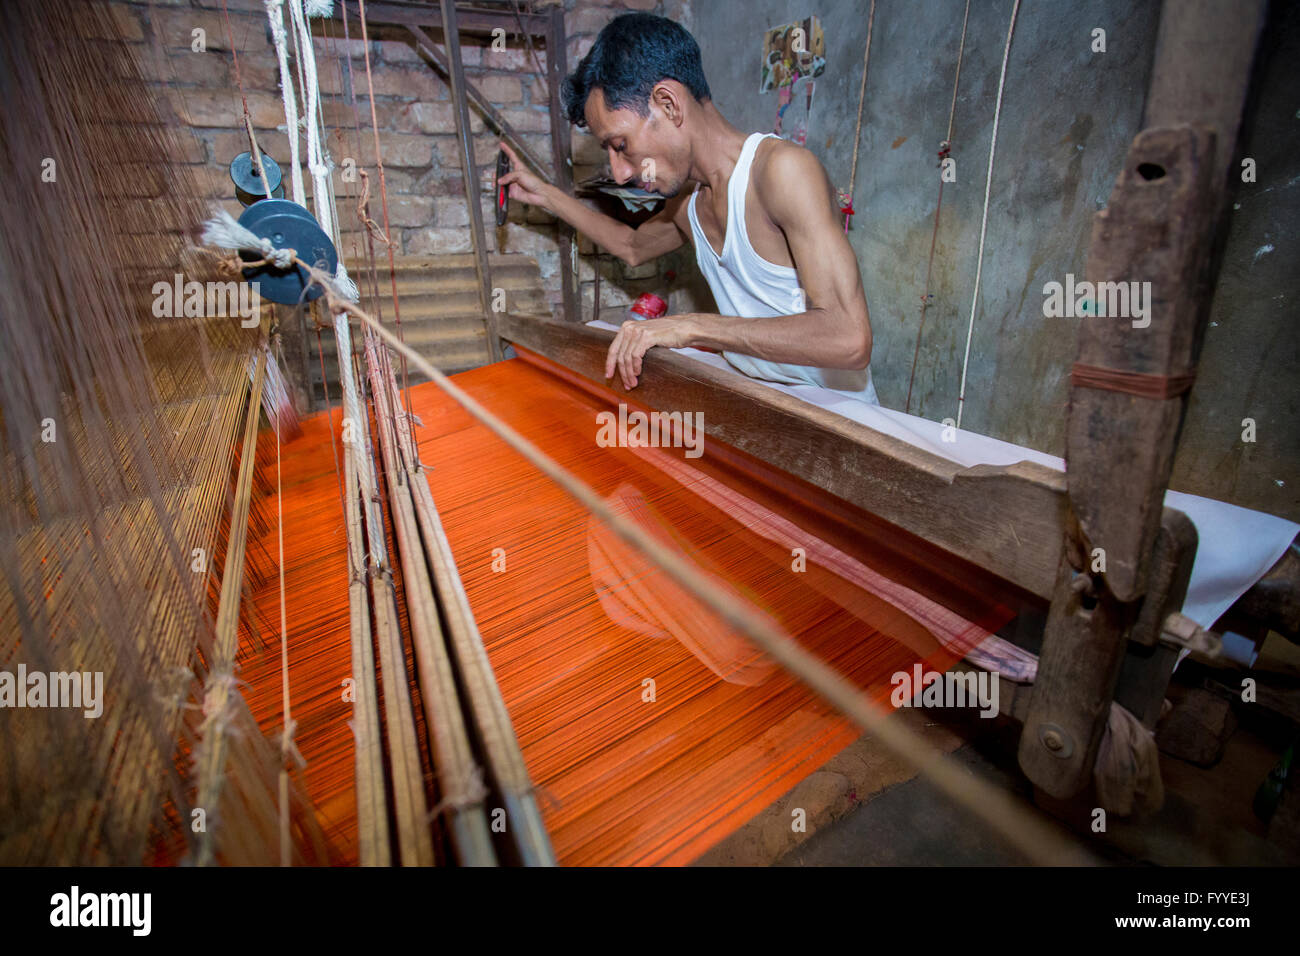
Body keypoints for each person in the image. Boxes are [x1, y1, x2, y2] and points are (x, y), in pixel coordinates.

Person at [498, 12, 876, 403]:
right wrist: (545, 195)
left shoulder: (781, 173)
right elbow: (631, 246)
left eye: (621, 145)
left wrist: (692, 327)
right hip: (765, 407)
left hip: (840, 420)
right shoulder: (688, 203)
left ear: (668, 104)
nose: (621, 173)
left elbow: (849, 338)